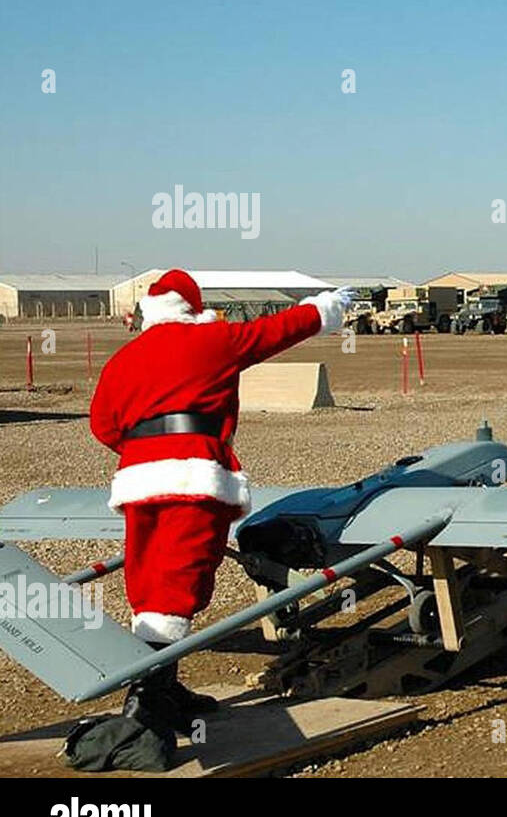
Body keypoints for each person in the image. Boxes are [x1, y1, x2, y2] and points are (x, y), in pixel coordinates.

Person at [88, 269, 351, 746]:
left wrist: (145, 450)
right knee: (181, 580)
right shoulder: (213, 339)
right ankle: (146, 704)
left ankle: (162, 686)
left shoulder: (124, 359)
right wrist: (326, 306)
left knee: (149, 581)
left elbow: (103, 425)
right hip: (194, 477)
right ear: (193, 307)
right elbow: (278, 330)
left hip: (138, 481)